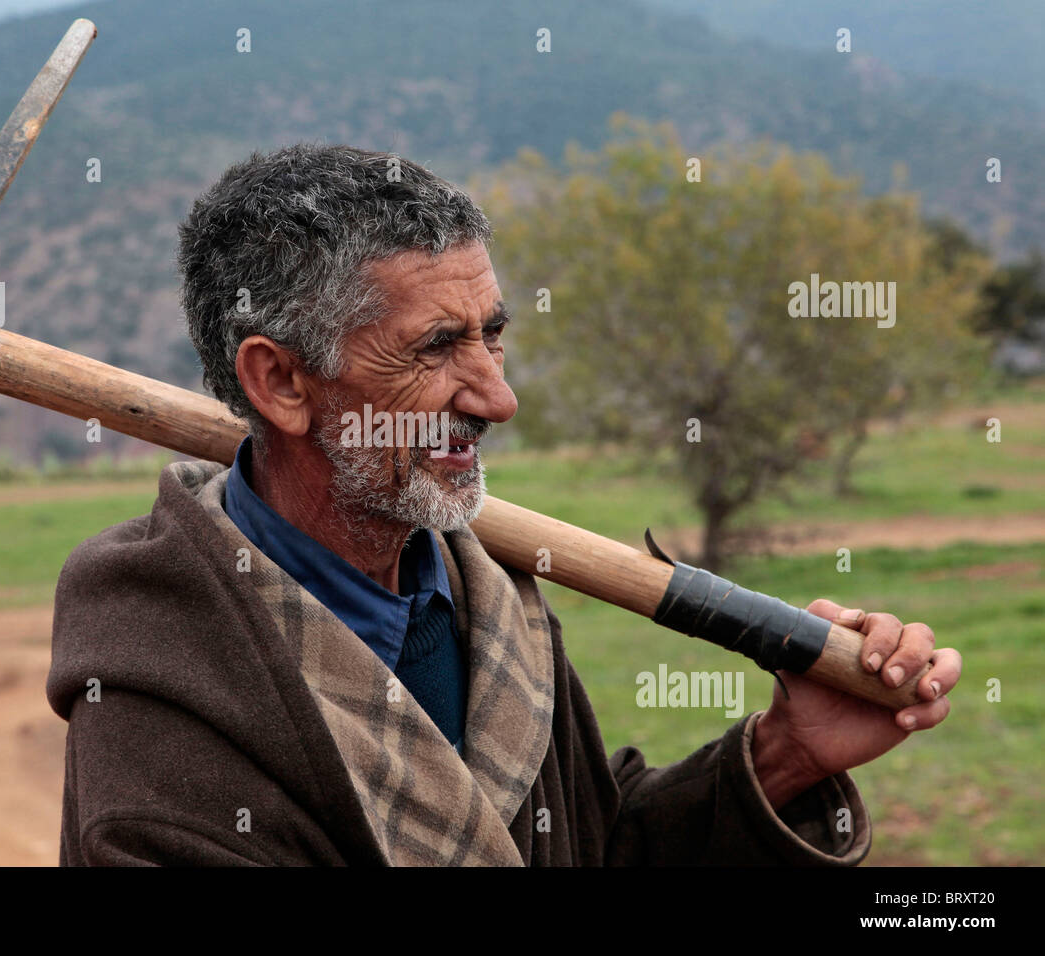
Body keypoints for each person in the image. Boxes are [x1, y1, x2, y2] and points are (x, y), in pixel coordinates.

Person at [46, 144, 961, 865]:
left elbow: (591, 850)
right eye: (437, 347)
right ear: (281, 381)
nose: (496, 398)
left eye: (492, 337)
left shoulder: (486, 598)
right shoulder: (163, 690)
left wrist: (789, 753)